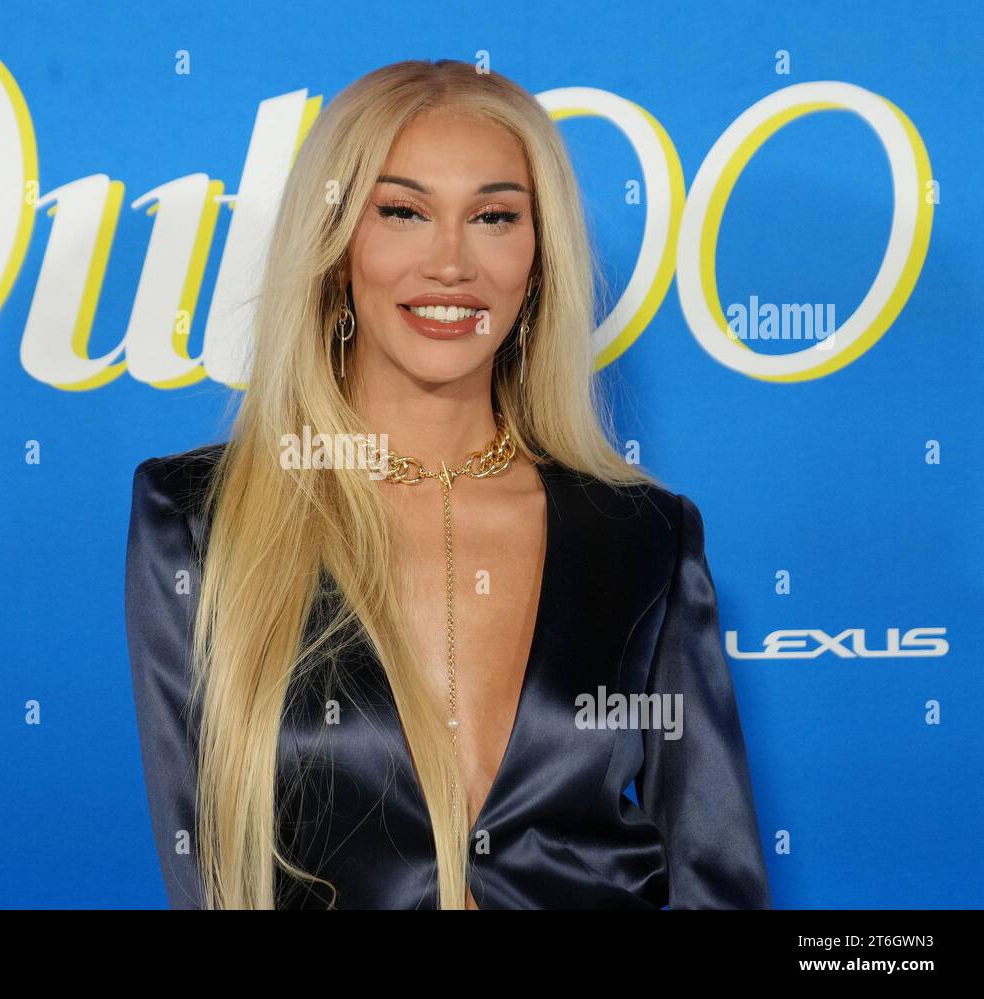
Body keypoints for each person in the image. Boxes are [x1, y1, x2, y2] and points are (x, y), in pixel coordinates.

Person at [124, 59, 771, 910]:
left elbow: (712, 871)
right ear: (336, 243)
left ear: (538, 261)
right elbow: (205, 872)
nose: (452, 263)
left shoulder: (644, 534)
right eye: (403, 211)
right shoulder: (199, 519)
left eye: (495, 216)